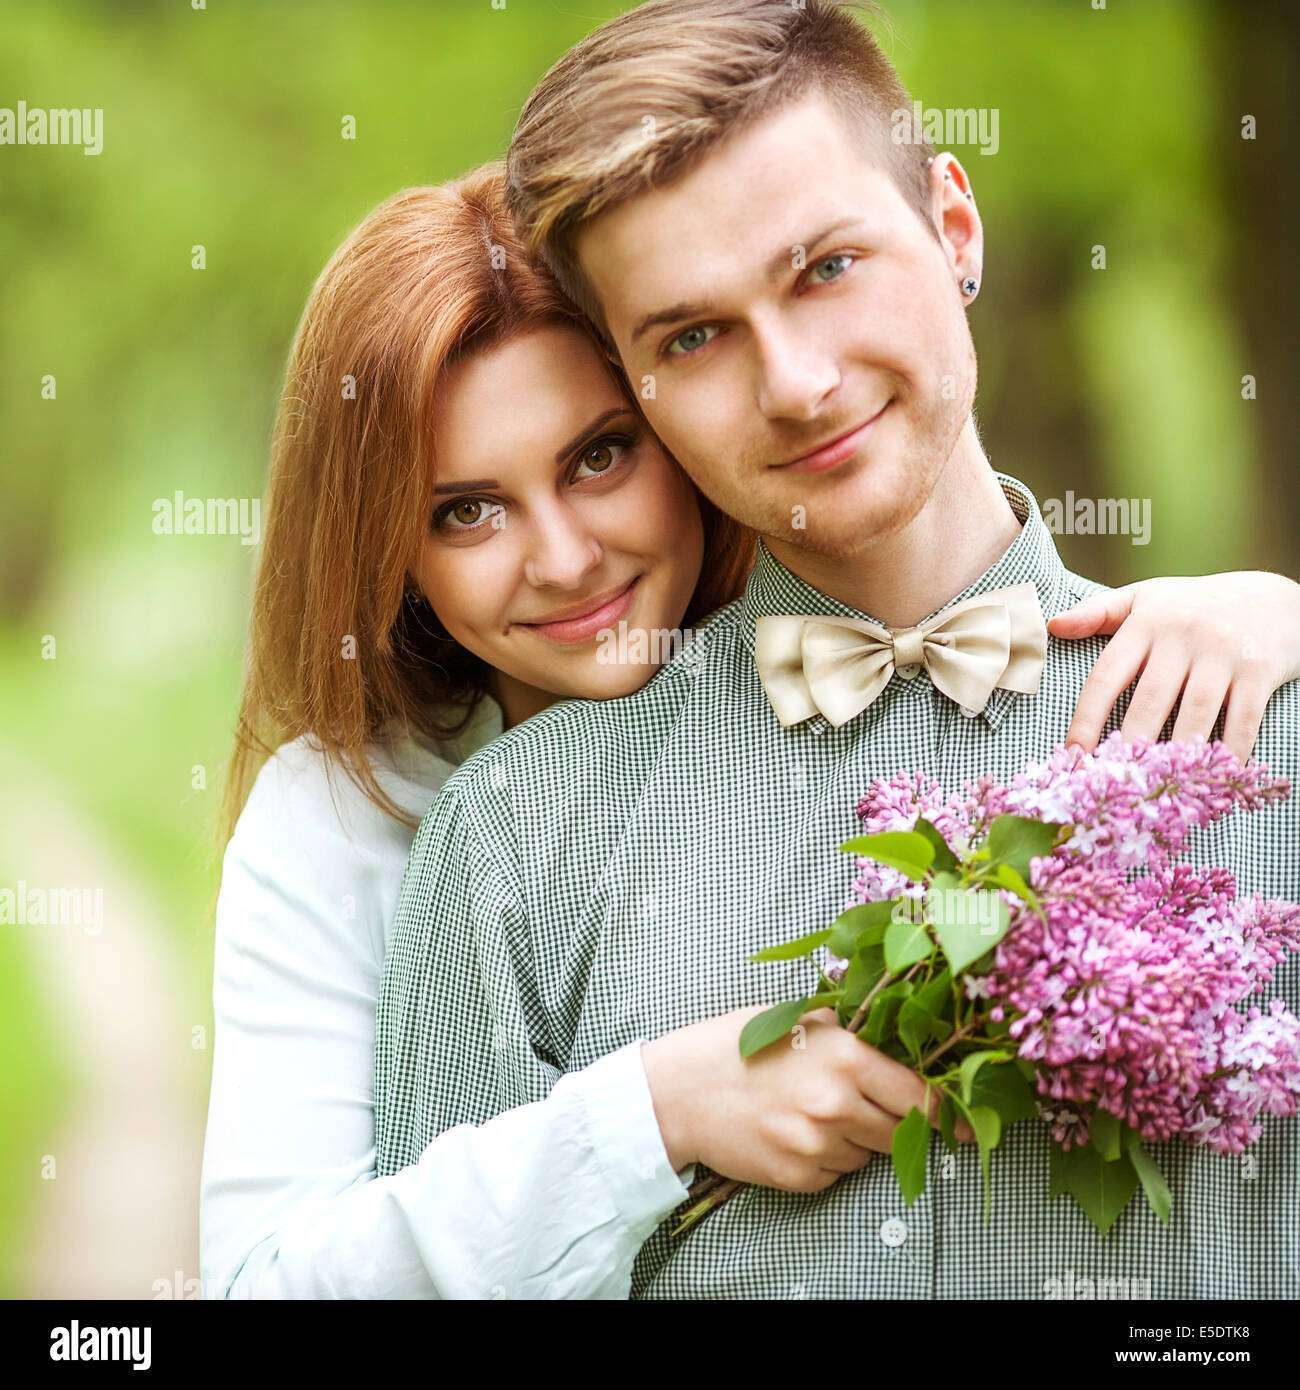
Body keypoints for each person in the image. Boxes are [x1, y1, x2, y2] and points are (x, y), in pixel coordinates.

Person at [373, 0, 1300, 1299]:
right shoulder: (516, 838)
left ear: (955, 229)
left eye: (826, 268)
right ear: (637, 391)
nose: (797, 384)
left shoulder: (1270, 737)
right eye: (693, 336)